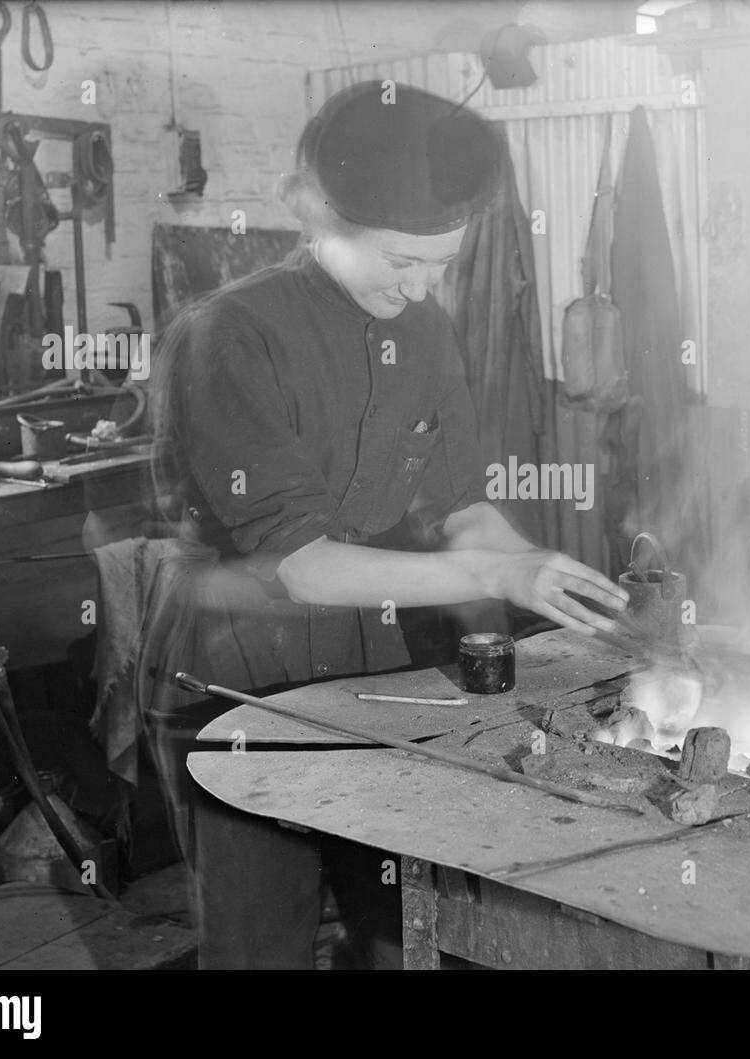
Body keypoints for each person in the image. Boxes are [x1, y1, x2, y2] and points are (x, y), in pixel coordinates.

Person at [141, 81, 628, 968]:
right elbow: (302, 566)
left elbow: (461, 508)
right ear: (325, 217)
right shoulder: (227, 337)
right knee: (261, 944)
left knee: (398, 929)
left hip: (374, 670)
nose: (421, 288)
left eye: (441, 264)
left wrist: (546, 569)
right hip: (241, 682)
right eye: (403, 260)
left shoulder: (428, 331)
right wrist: (495, 578)